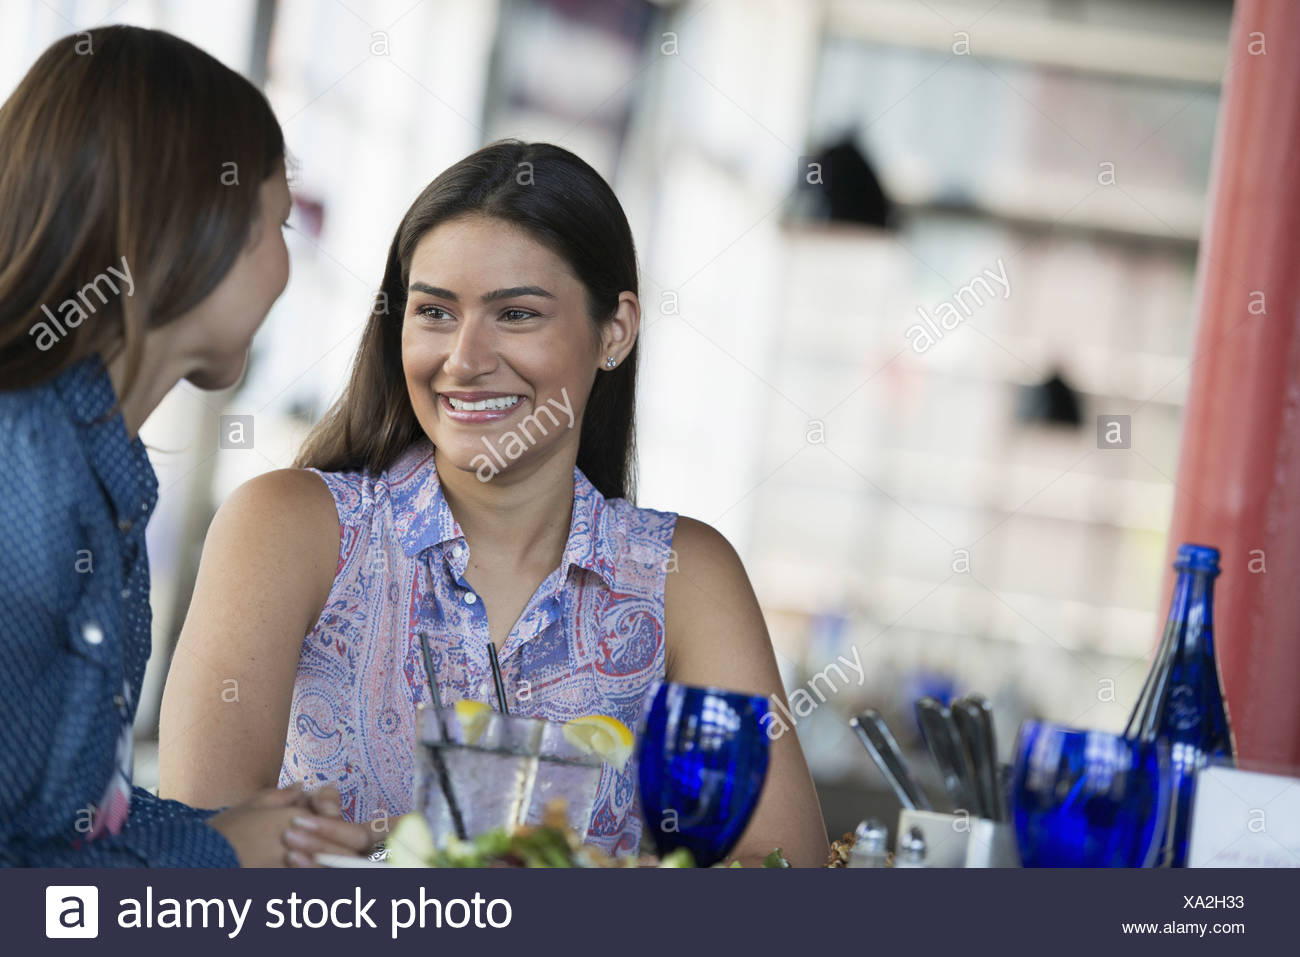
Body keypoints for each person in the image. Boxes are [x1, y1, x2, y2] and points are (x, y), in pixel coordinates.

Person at [159, 140, 830, 866]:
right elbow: (205, 850)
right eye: (436, 313)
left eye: (515, 314)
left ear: (615, 330)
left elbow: (782, 867)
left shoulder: (682, 574)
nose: (466, 360)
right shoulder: (291, 527)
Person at [0, 26, 374, 867]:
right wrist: (218, 858)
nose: (286, 268)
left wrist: (240, 832)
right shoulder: (21, 470)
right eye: (277, 223)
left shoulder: (98, 467)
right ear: (195, 224)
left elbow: (67, 822)